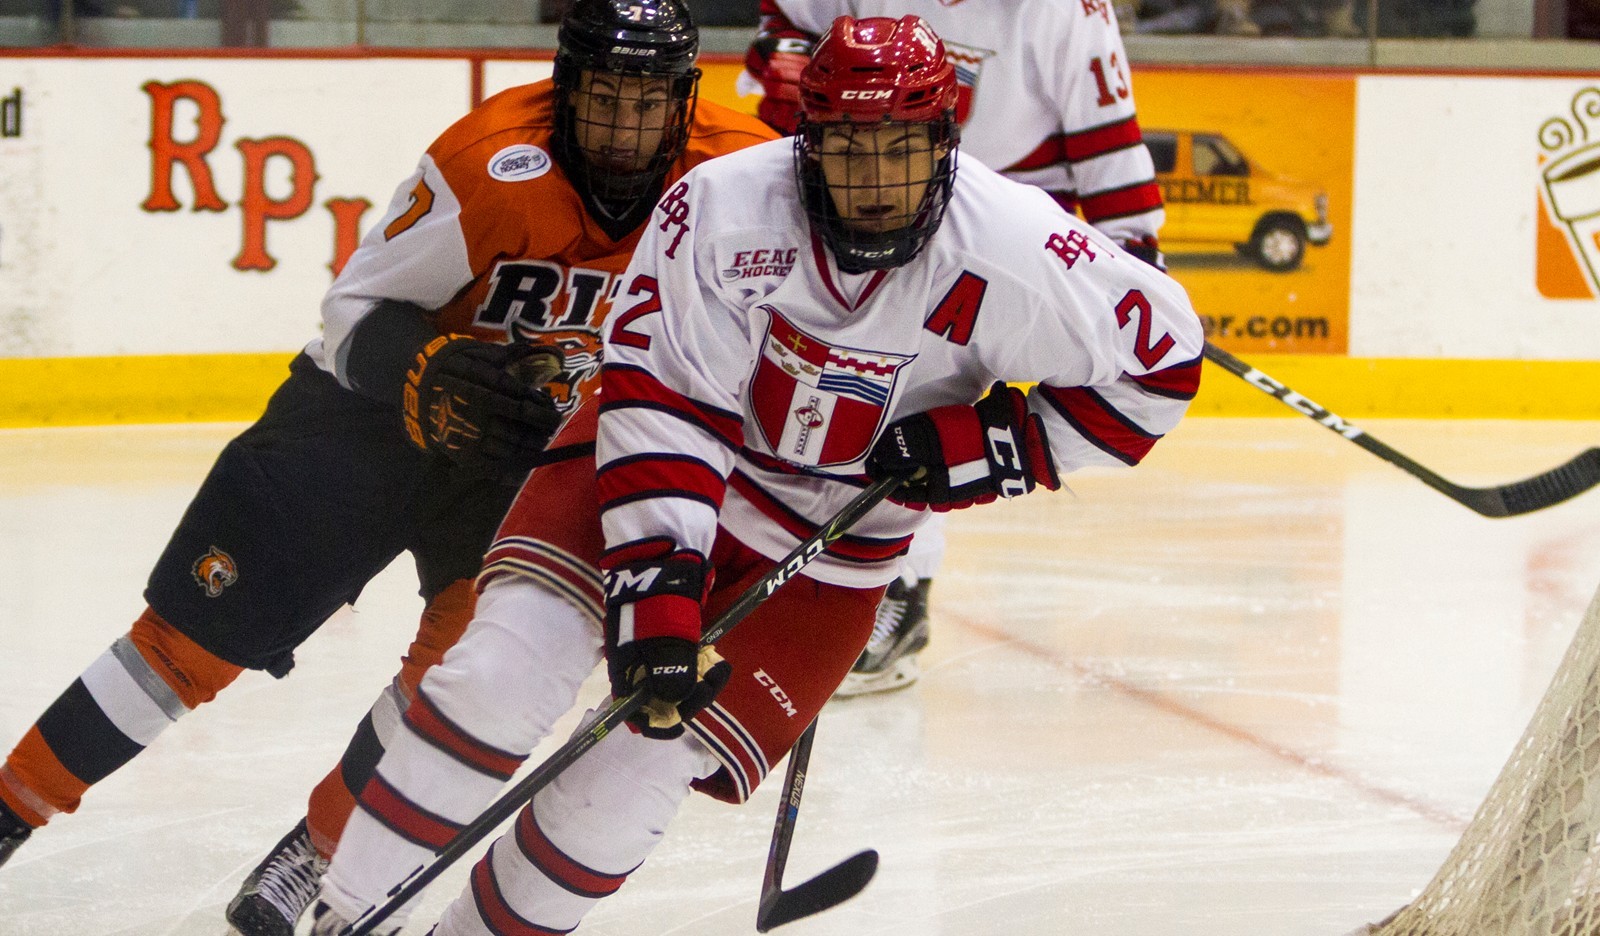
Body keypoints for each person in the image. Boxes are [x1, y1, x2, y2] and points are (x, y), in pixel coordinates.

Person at [309, 14, 1202, 935]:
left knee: (627, 785)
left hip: (831, 549)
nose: (875, 185)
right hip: (655, 468)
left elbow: (1165, 366)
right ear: (806, 145)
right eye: (849, 151)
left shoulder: (1016, 245)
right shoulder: (720, 207)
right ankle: (347, 916)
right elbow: (665, 402)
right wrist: (658, 598)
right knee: (497, 676)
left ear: (947, 143)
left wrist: (986, 447)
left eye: (903, 150)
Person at [0, 3, 774, 936]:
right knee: (185, 645)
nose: (618, 126)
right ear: (566, 88)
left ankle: (312, 855)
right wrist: (420, 366)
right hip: (367, 424)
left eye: (642, 102)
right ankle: (10, 807)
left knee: (455, 676)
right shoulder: (487, 161)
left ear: (686, 98)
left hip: (528, 461)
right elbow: (351, 309)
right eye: (600, 97)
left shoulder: (740, 180)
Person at [742, 0, 1167, 695]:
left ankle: (896, 591)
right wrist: (784, 60)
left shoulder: (1064, 9)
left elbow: (1108, 142)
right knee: (831, 393)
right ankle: (817, 576)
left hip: (995, 236)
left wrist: (1132, 264)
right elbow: (785, 20)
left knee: (916, 411)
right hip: (863, 201)